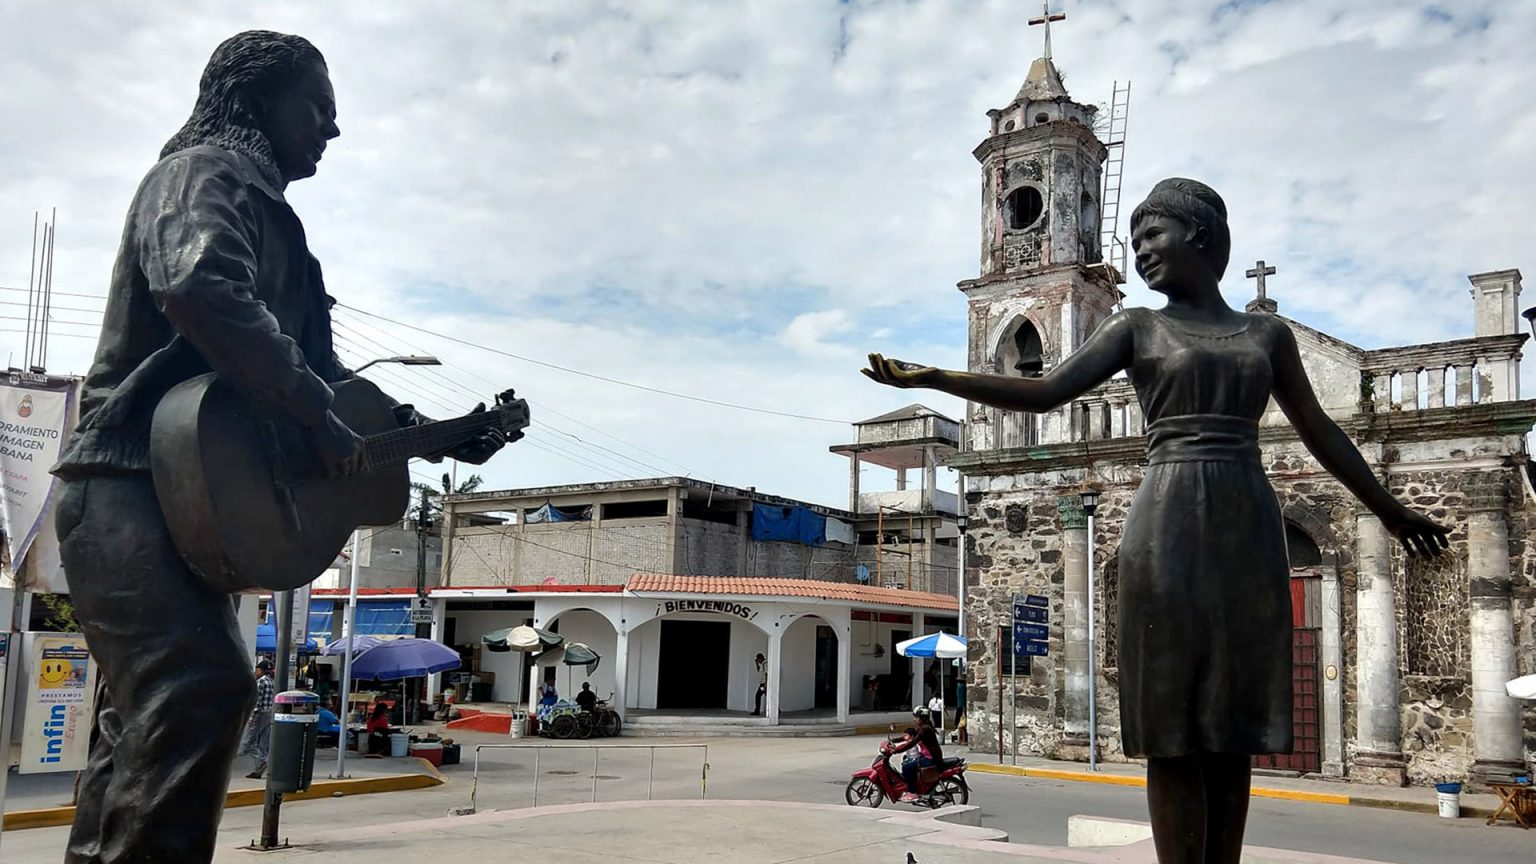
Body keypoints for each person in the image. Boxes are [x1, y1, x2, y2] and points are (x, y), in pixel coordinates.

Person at [863, 177, 1448, 863]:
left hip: (1248, 523)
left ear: (1200, 236)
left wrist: (1391, 508)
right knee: (1171, 725)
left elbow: (1321, 430)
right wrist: (937, 378)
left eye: (1152, 235)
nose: (1140, 253)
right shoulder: (1137, 327)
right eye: (1135, 240)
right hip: (1165, 520)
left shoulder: (1266, 334)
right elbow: (1047, 391)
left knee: (1232, 728)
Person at [50, 30, 510, 864]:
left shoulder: (280, 229)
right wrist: (308, 412)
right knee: (202, 691)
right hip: (125, 481)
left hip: (191, 499)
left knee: (140, 724)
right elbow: (200, 287)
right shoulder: (199, 177)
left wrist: (434, 433)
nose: (332, 130)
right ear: (260, 97)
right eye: (319, 108)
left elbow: (325, 379)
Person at [891, 707, 943, 803]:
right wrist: (894, 741)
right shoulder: (923, 727)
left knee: (906, 767)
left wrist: (897, 750)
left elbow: (912, 742)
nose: (914, 720)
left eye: (916, 718)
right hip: (926, 756)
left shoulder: (925, 729)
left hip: (930, 758)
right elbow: (910, 737)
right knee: (906, 760)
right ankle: (914, 784)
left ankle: (913, 792)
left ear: (922, 719)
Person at [238, 659, 275, 778]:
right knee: (262, 742)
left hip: (259, 714)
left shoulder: (260, 683)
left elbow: (257, 702)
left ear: (261, 670)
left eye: (257, 669)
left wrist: (252, 717)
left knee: (246, 743)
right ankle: (258, 769)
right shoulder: (271, 682)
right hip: (268, 714)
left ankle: (261, 762)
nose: (256, 672)